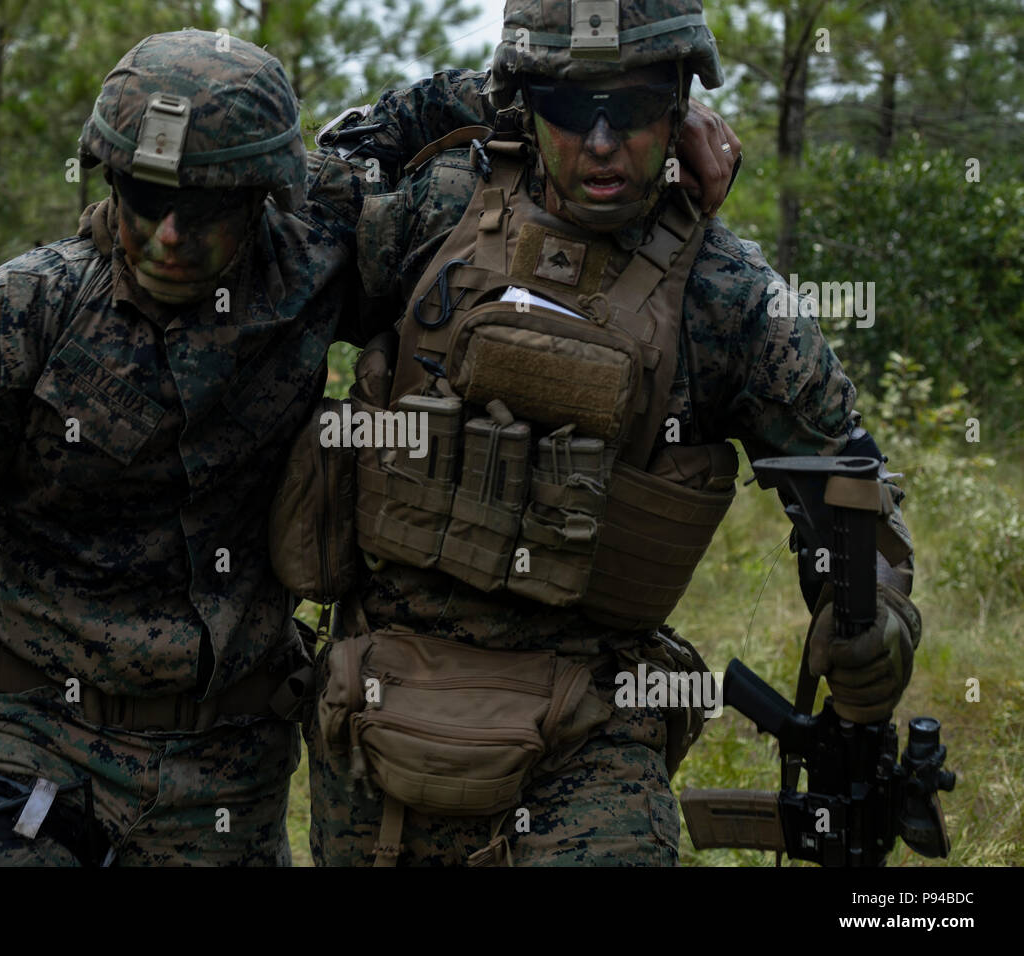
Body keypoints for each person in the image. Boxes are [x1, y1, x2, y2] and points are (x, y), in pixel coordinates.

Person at [0, 27, 741, 867]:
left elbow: (418, 129)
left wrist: (653, 108)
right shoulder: (23, 314)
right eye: (143, 194)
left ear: (260, 198)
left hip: (229, 763)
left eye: (205, 206)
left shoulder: (311, 254)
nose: (169, 234)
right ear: (106, 174)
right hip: (31, 727)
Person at [303, 0, 920, 866]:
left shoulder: (728, 296)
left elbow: (849, 487)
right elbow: (289, 194)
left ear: (678, 106)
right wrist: (480, 95)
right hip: (379, 701)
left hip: (591, 731)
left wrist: (878, 620)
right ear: (523, 103)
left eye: (631, 110)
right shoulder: (433, 217)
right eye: (569, 107)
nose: (601, 142)